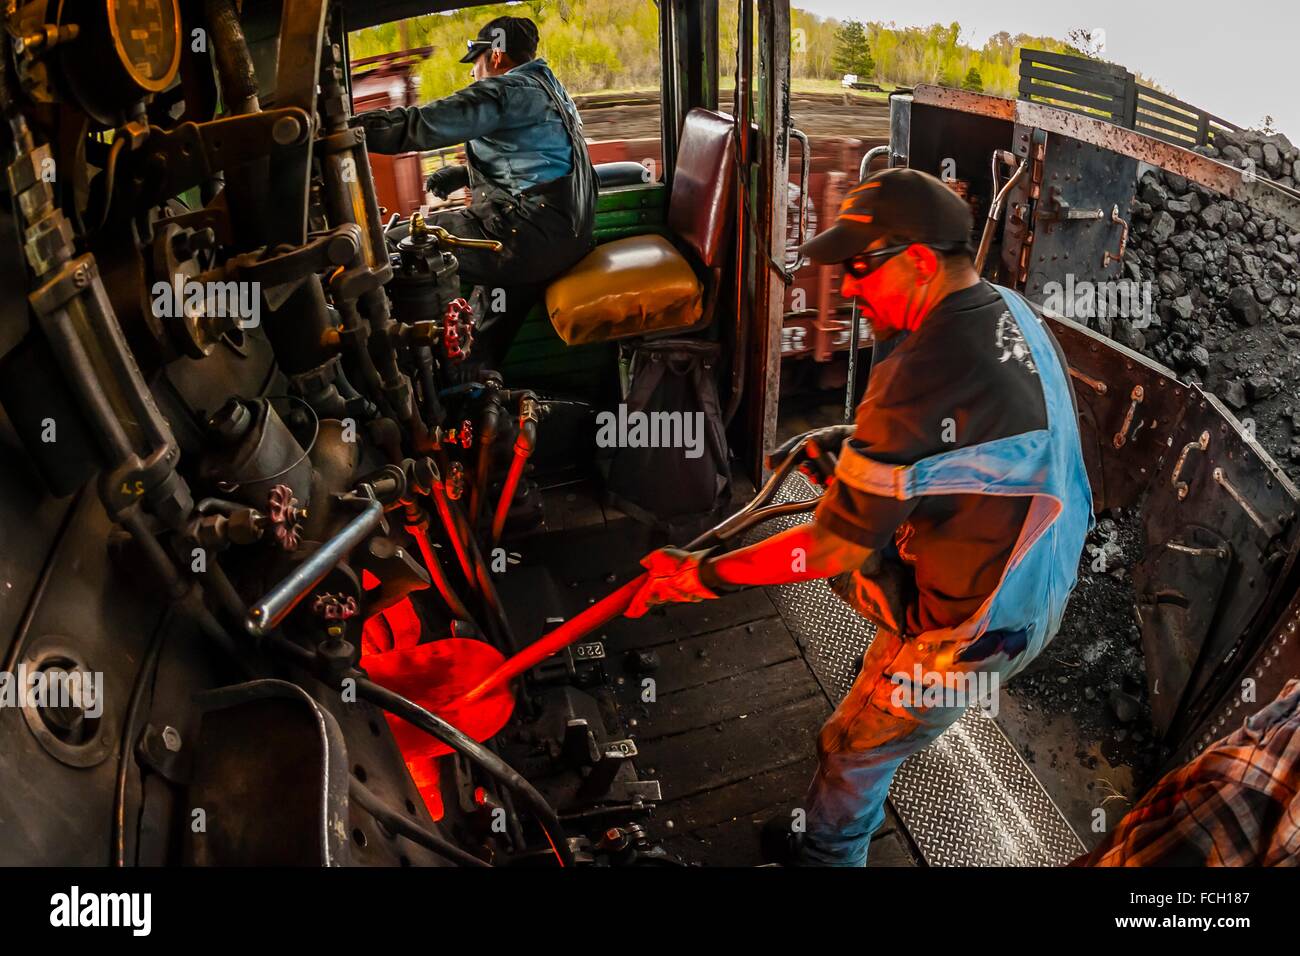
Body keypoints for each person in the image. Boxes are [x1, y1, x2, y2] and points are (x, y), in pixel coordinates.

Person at [625, 167, 1094, 866]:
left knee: (852, 750)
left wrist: (704, 575)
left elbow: (827, 552)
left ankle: (825, 852)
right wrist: (853, 447)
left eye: (859, 268)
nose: (845, 288)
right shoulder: (1009, 310)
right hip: (1046, 572)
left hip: (975, 632)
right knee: (880, 670)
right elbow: (969, 440)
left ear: (919, 261)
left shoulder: (916, 372)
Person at [355, 15, 596, 366]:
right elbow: (535, 158)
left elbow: (419, 126)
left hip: (522, 240)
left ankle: (395, 363)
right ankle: (475, 390)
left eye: (477, 62)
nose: (473, 73)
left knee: (392, 246)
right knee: (481, 336)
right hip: (563, 239)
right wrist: (465, 175)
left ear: (496, 56)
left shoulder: (505, 90)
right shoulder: (552, 88)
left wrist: (346, 130)